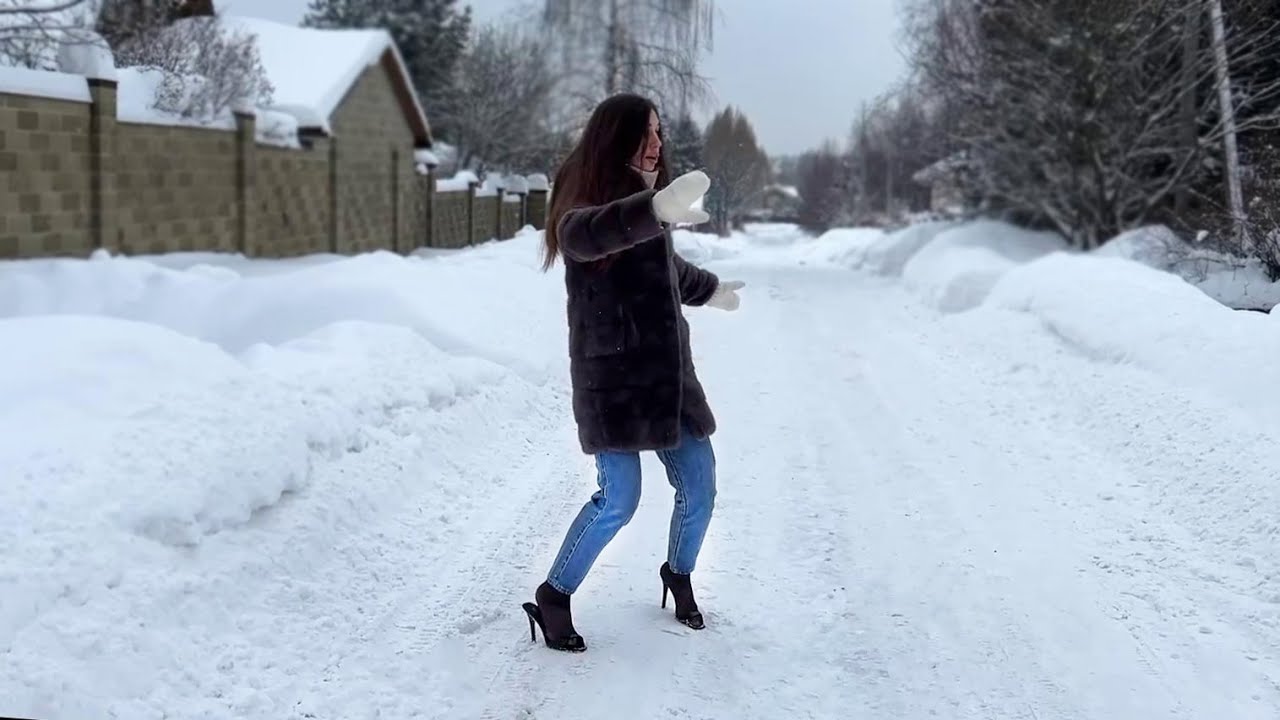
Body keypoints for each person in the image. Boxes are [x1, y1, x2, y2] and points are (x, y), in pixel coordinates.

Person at [521, 93, 745, 653]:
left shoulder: (646, 200)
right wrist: (653, 211)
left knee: (701, 484)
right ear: (615, 137)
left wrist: (710, 289)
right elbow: (581, 235)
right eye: (644, 133)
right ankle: (554, 594)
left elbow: (663, 269)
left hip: (667, 378)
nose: (656, 144)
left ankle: (678, 573)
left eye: (659, 132)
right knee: (619, 499)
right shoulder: (587, 196)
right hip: (615, 382)